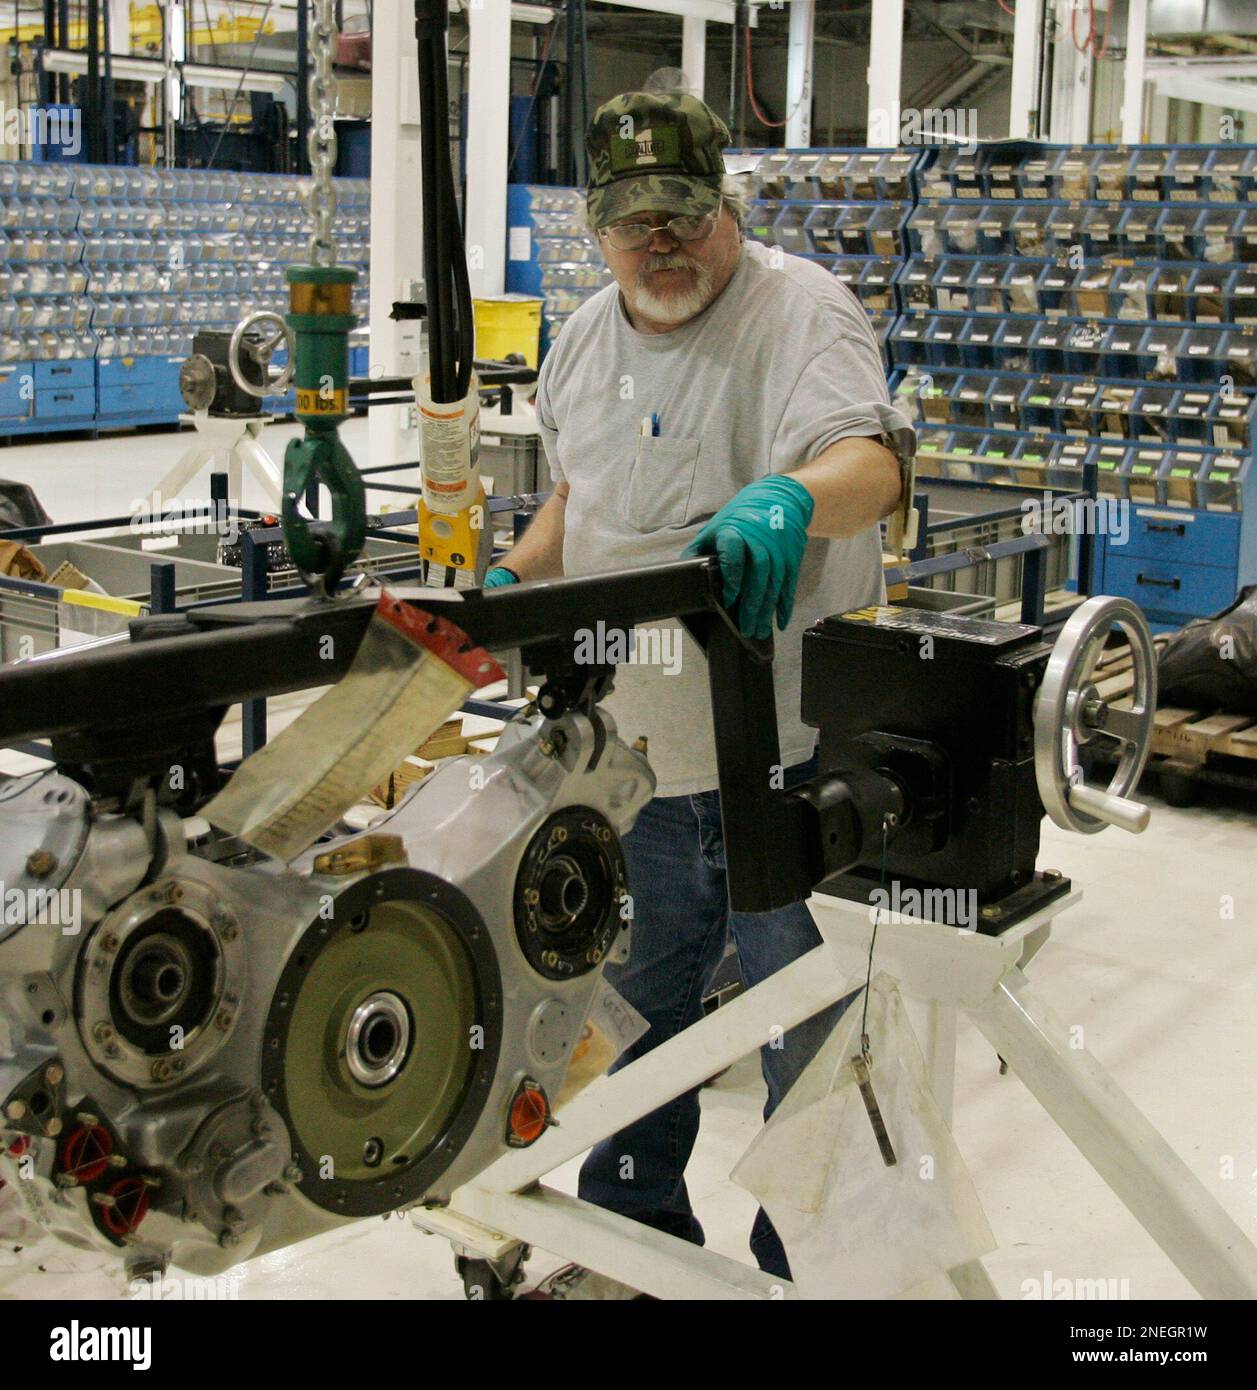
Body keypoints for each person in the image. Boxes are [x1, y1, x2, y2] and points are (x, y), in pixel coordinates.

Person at [485, 91, 915, 1296]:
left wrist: (790, 498)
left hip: (790, 751)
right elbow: (582, 496)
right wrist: (511, 575)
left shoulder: (800, 310)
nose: (661, 243)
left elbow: (868, 465)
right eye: (633, 224)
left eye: (681, 213)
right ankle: (634, 1249)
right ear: (595, 233)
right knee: (632, 1020)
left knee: (811, 1032)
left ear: (725, 205)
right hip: (642, 760)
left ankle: (819, 1270)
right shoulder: (580, 342)